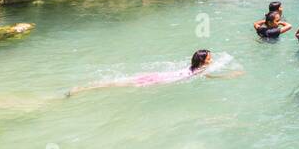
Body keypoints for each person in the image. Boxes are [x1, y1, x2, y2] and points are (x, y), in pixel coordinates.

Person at [67, 49, 228, 95]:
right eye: (209, 58)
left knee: (118, 82)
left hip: (157, 75)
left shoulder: (192, 68)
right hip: (157, 80)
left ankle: (83, 88)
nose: (211, 60)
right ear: (202, 61)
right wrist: (229, 76)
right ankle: (83, 89)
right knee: (117, 85)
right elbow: (210, 76)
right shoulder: (197, 72)